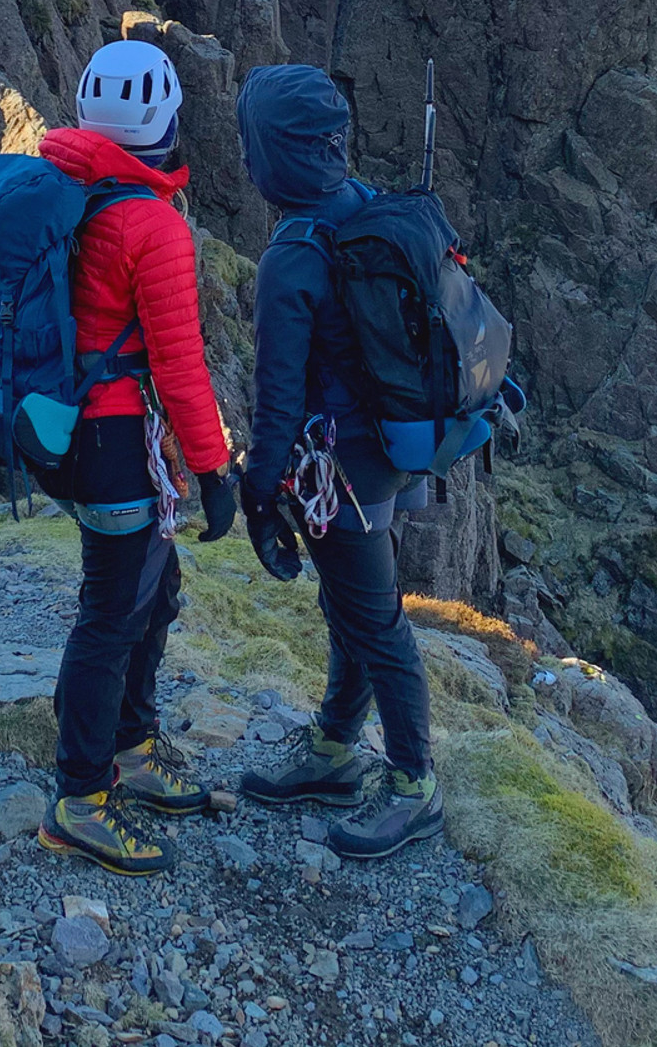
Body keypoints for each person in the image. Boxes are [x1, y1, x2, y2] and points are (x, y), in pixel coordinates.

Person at [35, 39, 238, 876]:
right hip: (119, 442)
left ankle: (133, 750)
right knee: (113, 612)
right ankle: (80, 798)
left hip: (74, 433)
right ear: (165, 119)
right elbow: (180, 366)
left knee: (153, 591)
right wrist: (217, 470)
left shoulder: (65, 187)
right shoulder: (150, 222)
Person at [233, 64, 443, 859]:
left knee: (373, 618)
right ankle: (332, 745)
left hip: (341, 473)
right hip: (391, 451)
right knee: (353, 602)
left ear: (269, 155)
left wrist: (259, 497)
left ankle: (414, 783)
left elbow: (277, 405)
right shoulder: (369, 208)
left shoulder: (293, 256)